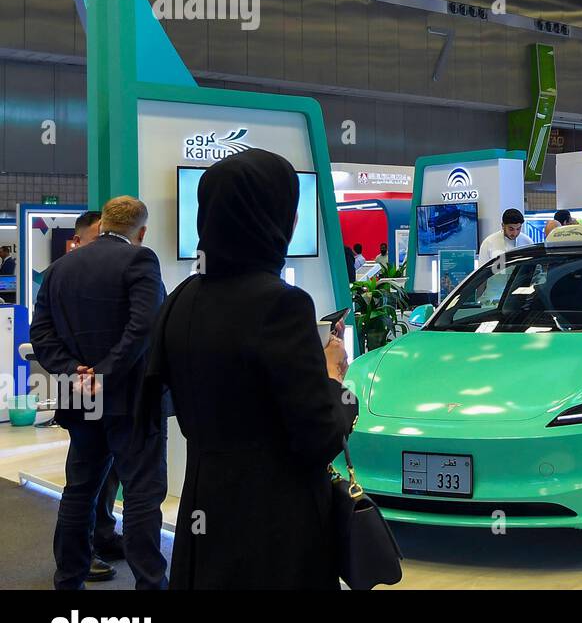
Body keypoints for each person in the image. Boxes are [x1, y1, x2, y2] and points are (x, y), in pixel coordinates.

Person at [137, 149, 357, 589]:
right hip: (274, 527)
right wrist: (333, 376)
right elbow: (318, 437)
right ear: (275, 218)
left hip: (203, 513)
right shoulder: (283, 304)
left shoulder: (180, 299)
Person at [30, 197, 167, 590]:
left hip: (80, 398)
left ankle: (68, 579)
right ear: (140, 232)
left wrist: (76, 372)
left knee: (80, 491)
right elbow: (143, 327)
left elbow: (41, 334)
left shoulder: (58, 270)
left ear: (103, 223)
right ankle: (150, 584)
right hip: (132, 401)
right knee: (141, 496)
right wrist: (104, 373)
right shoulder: (141, 261)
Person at [65, 210, 125, 583]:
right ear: (80, 240)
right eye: (96, 236)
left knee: (112, 472)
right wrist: (80, 370)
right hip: (83, 392)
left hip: (116, 391)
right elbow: (49, 336)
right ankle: (79, 555)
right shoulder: (65, 278)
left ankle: (103, 535)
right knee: (84, 478)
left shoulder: (118, 276)